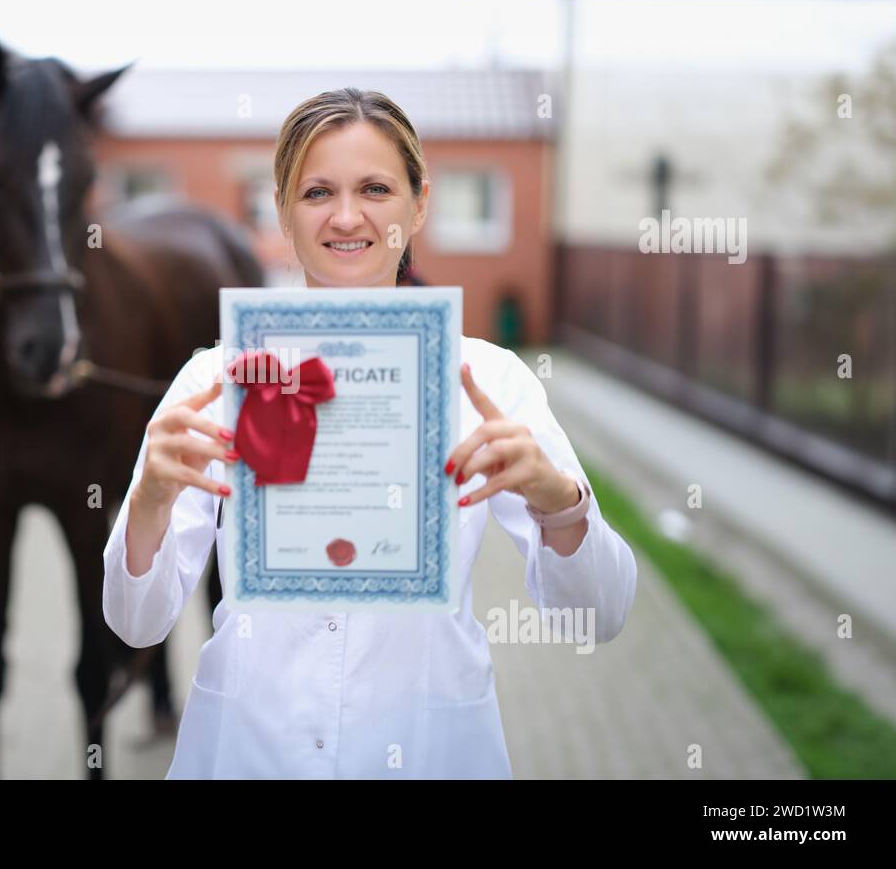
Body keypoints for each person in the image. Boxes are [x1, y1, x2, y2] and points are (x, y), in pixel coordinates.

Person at [102, 87, 638, 779]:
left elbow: (598, 616)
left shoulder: (490, 383)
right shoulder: (217, 377)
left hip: (431, 751)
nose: (347, 216)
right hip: (246, 747)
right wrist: (147, 499)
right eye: (317, 191)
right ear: (283, 212)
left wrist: (558, 497)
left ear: (419, 205)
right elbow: (134, 623)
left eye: (376, 188)